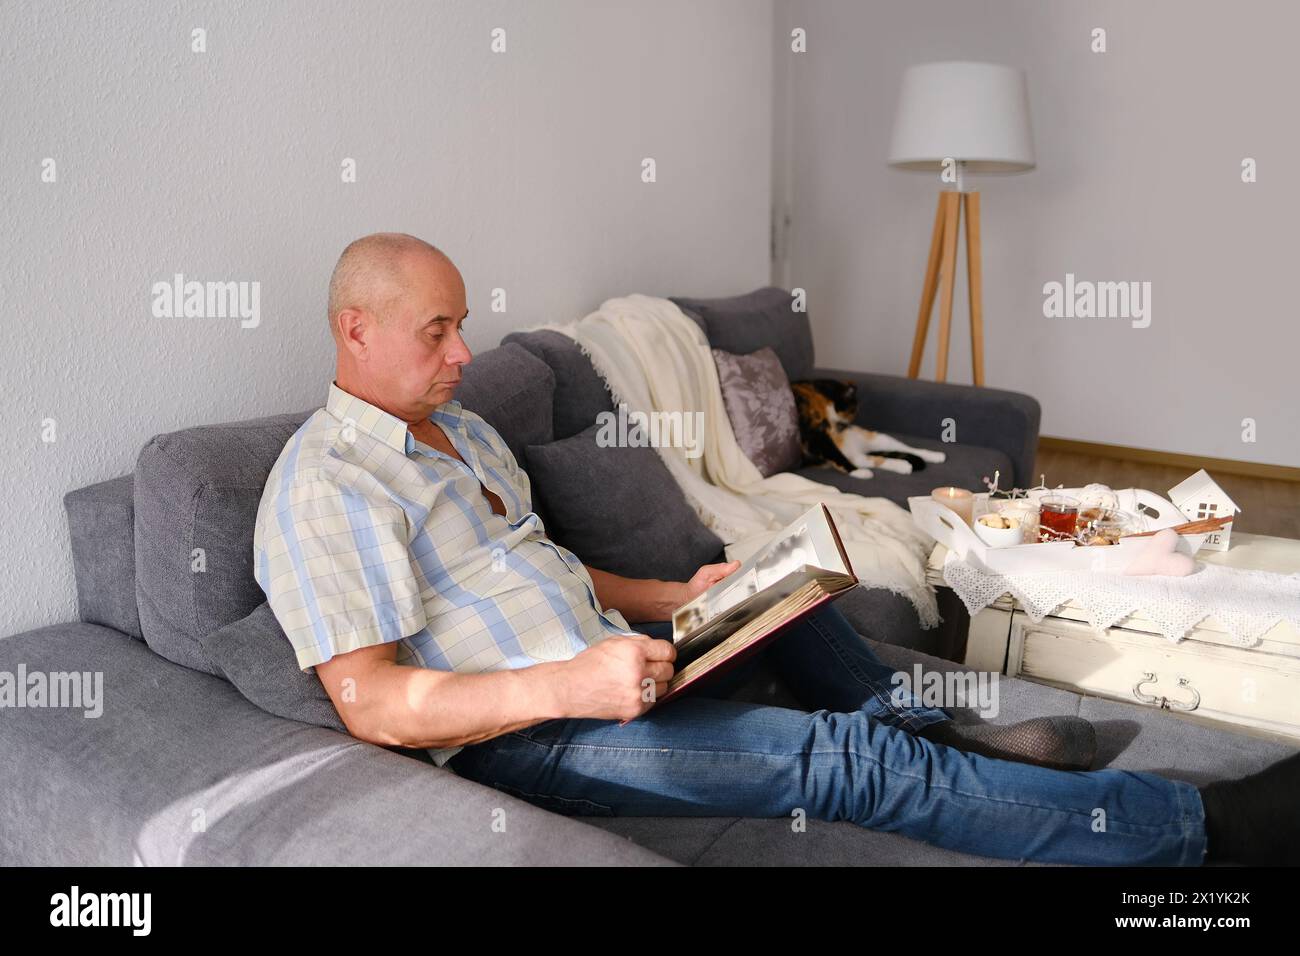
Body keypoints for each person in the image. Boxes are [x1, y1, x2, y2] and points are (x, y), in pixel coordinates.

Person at [253, 232, 1298, 866]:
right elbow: (373, 703)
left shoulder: (466, 430)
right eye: (437, 331)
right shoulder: (324, 484)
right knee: (841, 761)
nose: (464, 353)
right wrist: (571, 682)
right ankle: (1182, 831)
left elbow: (557, 572)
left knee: (788, 594)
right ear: (356, 330)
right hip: (528, 732)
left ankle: (933, 736)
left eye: (462, 326)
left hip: (612, 656)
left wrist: (690, 590)